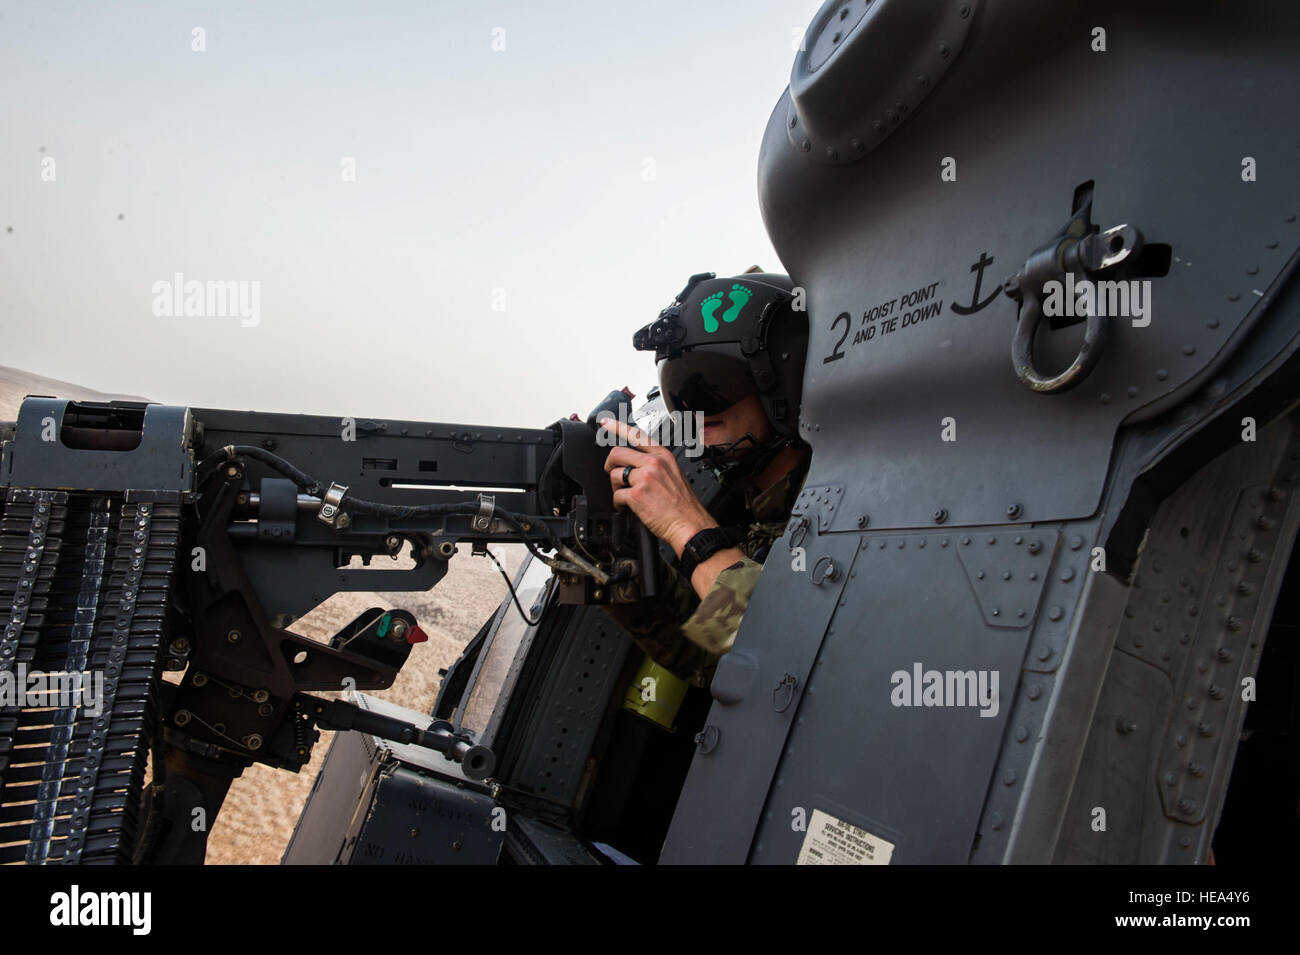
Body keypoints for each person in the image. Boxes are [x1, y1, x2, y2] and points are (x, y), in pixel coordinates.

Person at [597, 269, 810, 687]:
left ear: (783, 380)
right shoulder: (764, 518)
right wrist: (607, 556)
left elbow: (785, 656)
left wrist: (687, 528)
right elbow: (711, 655)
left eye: (713, 384)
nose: (696, 412)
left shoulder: (841, 514)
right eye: (679, 392)